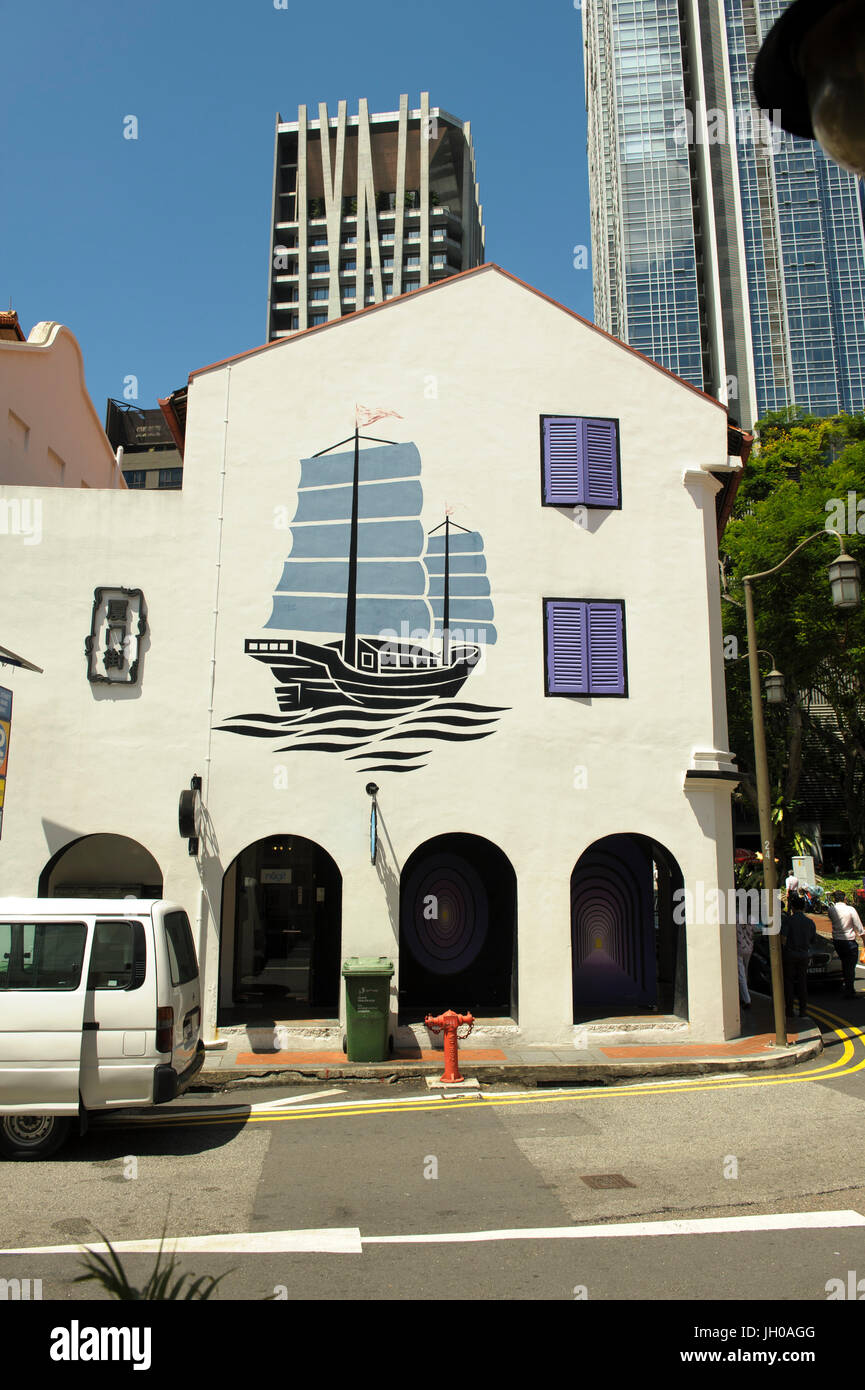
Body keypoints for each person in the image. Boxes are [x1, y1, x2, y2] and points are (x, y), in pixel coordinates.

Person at [780, 891, 817, 1018]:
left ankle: (789, 1009)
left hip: (790, 954)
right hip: (804, 954)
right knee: (802, 982)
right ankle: (803, 1010)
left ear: (793, 907)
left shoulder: (788, 921)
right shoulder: (810, 922)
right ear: (804, 907)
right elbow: (813, 940)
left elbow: (783, 939)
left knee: (789, 982)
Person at [828, 891, 865, 1000]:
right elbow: (860, 928)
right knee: (850, 966)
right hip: (849, 940)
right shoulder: (850, 910)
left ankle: (848, 988)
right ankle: (849, 990)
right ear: (844, 898)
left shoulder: (831, 910)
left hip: (837, 941)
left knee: (844, 964)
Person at [736, 908, 755, 1009]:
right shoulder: (751, 918)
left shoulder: (735, 918)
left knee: (741, 974)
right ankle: (744, 995)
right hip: (749, 947)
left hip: (739, 947)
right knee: (745, 972)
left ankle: (746, 999)